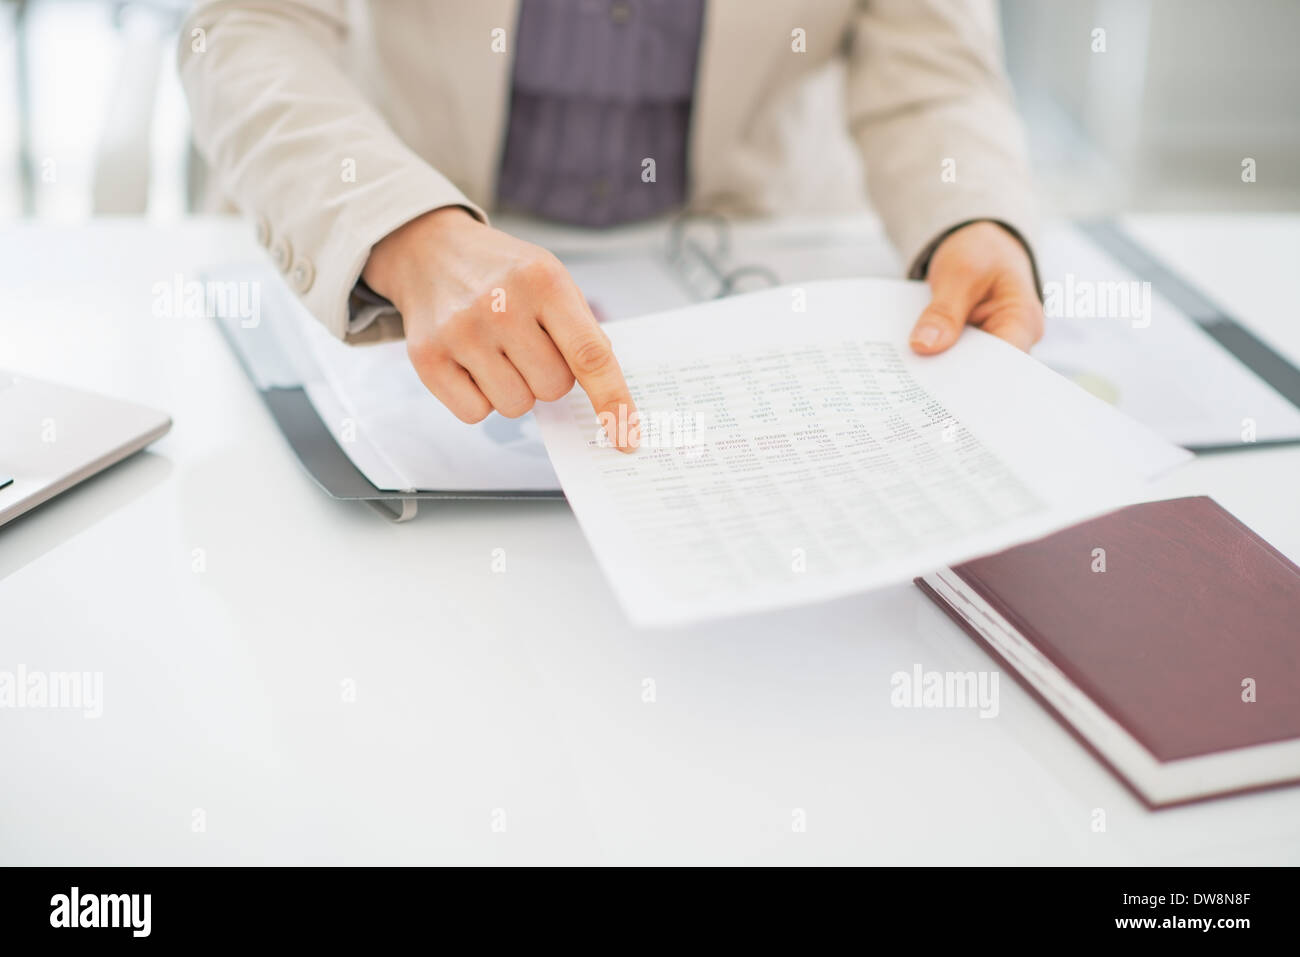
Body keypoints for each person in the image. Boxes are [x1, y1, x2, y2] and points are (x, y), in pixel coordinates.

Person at [180, 0, 1043, 450]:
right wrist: (403, 228)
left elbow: (934, 77)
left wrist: (969, 215)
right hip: (412, 225)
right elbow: (246, 29)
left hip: (735, 247)